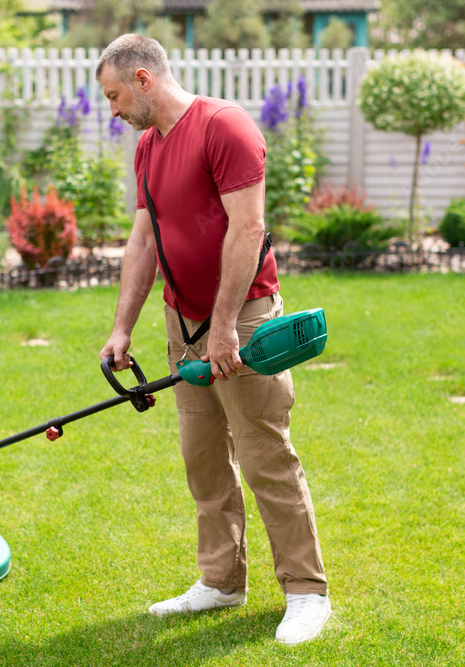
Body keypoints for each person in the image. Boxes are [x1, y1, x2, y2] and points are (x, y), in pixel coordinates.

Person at [95, 34, 330, 645]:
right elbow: (144, 240)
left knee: (264, 454)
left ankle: (306, 593)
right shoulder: (148, 147)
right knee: (203, 460)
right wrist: (123, 326)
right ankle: (221, 581)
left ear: (144, 78)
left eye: (116, 95)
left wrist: (225, 326)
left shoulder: (224, 126)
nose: (112, 109)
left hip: (244, 317)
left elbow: (248, 227)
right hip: (183, 322)